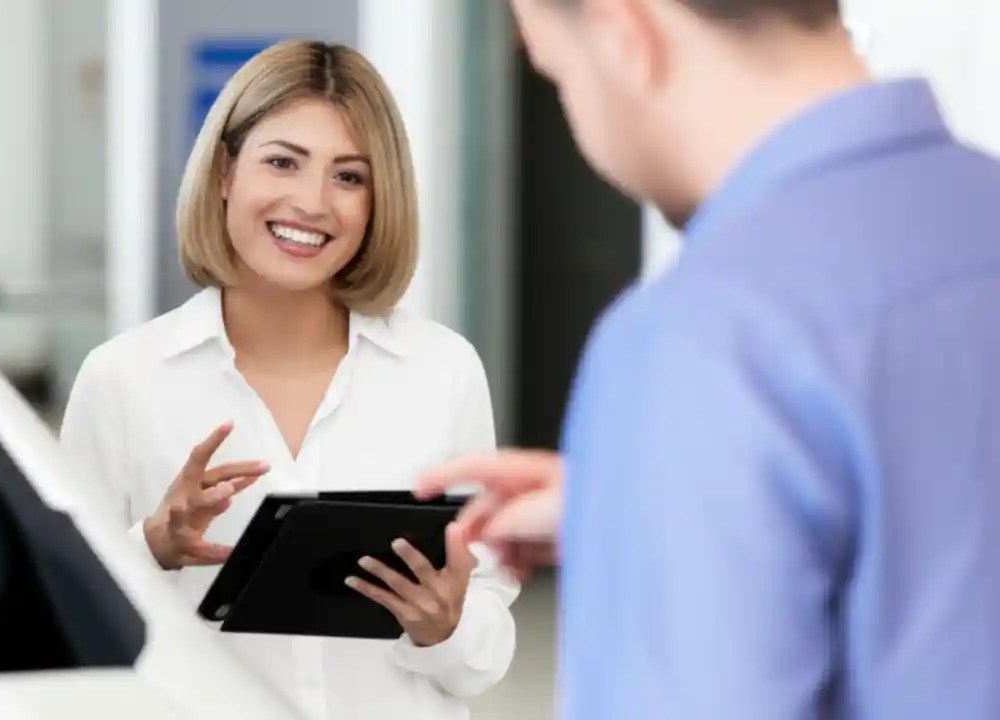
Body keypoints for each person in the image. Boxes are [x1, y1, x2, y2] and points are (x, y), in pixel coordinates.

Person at [418, 0, 1000, 718]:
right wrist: (704, 505)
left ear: (626, 32)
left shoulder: (702, 336)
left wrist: (677, 484)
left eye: (559, 75)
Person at [60, 40, 517, 720]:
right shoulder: (123, 379)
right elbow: (66, 628)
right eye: (282, 162)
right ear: (224, 173)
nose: (313, 202)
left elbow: (485, 644)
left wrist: (443, 626)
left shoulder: (442, 371)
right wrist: (151, 549)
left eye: (350, 177)